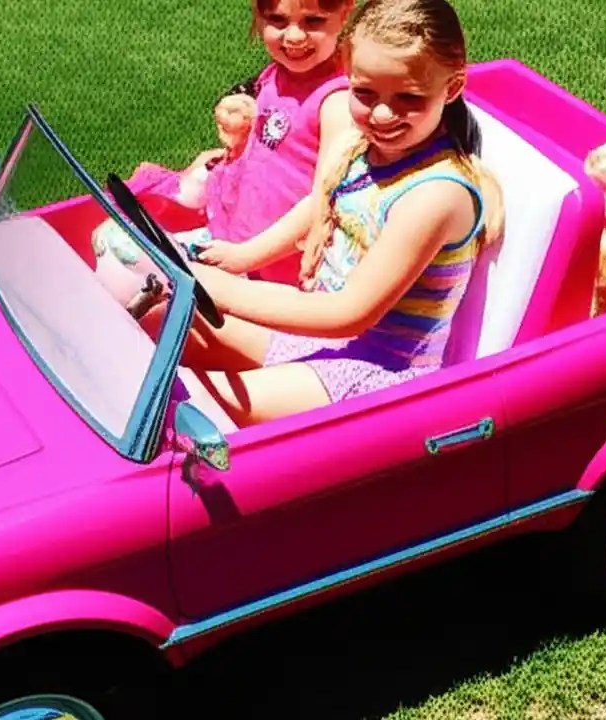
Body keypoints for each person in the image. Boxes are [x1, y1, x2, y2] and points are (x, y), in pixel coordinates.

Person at [161, 0, 506, 428]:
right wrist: (241, 260)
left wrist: (217, 289)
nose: (381, 114)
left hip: (379, 371)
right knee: (157, 324)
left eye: (408, 97)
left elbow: (349, 313)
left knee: (189, 408)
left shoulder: (436, 195)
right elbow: (321, 200)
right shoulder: (366, 149)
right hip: (322, 332)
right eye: (364, 92)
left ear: (452, 88)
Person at [124, 0, 358, 286]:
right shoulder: (276, 74)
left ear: (345, 13)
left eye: (314, 21)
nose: (295, 36)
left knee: (127, 261)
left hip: (278, 272)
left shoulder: (337, 100)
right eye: (278, 20)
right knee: (118, 243)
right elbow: (276, 156)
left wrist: (246, 256)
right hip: (232, 241)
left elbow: (325, 197)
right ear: (259, 17)